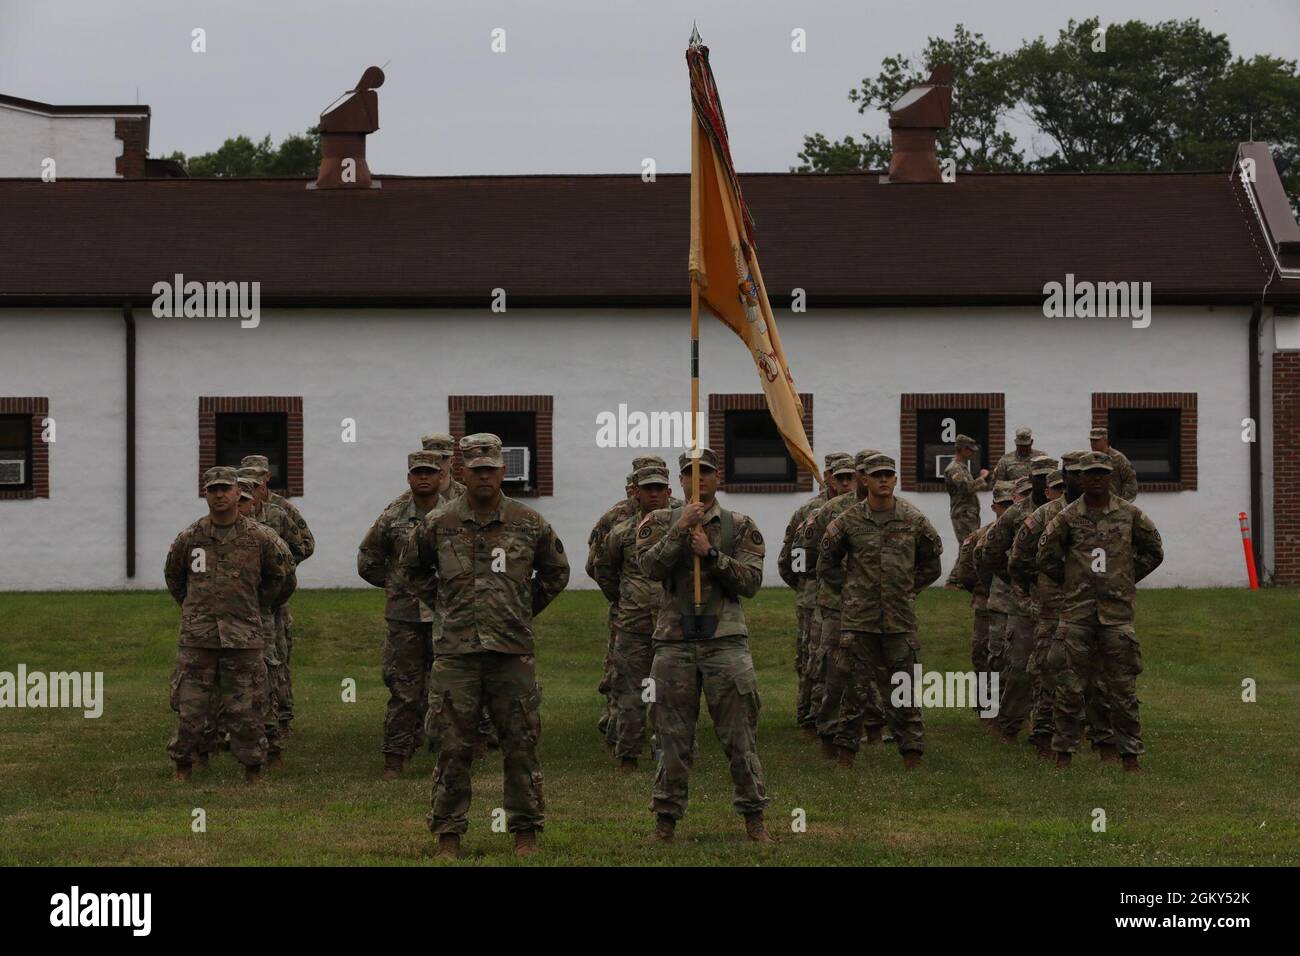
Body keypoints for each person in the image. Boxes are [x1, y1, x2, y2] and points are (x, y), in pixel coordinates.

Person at [399, 434, 569, 858]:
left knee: (521, 742)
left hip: (512, 652)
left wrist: (521, 609)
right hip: (456, 653)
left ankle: (525, 830)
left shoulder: (528, 523)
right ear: (461, 472)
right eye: (475, 470)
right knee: (452, 744)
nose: (484, 477)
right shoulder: (439, 523)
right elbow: (412, 568)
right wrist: (444, 605)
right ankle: (449, 834)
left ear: (502, 471)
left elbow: (556, 572)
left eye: (491, 469)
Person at [637, 448, 771, 844]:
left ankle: (754, 818)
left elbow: (750, 583)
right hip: (675, 642)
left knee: (739, 735)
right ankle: (665, 822)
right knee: (671, 736)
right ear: (681, 481)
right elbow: (648, 568)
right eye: (690, 474)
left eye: (706, 473)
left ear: (718, 478)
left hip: (724, 641)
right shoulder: (660, 521)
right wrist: (680, 529)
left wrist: (711, 555)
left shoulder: (739, 526)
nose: (699, 480)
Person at [164, 467, 294, 783]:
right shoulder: (190, 538)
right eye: (213, 490)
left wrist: (257, 605)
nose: (219, 495)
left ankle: (253, 768)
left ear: (238, 493)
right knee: (191, 707)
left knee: (248, 707)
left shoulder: (260, 538)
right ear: (205, 494)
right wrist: (194, 608)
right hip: (199, 637)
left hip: (244, 635)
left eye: (225, 489)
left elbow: (281, 578)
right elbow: (174, 577)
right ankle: (184, 764)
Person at [1037, 452, 1164, 772]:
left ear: (1111, 477)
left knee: (1122, 689)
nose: (1096, 479)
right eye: (1090, 474)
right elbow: (1045, 556)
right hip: (1077, 614)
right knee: (1068, 688)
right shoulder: (1067, 517)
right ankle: (1063, 754)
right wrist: (1070, 580)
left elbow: (1154, 551)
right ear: (1080, 479)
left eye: (1102, 474)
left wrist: (1125, 577)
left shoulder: (1130, 514)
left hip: (1116, 616)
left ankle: (1129, 756)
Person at [817, 453, 943, 770]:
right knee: (854, 688)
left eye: (889, 474)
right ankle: (845, 753)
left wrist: (906, 589)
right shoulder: (848, 521)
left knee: (903, 688)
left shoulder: (913, 520)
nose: (884, 480)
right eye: (877, 475)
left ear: (896, 480)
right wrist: (849, 592)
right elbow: (827, 563)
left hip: (899, 619)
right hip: (859, 620)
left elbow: (931, 563)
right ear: (865, 480)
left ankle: (912, 753)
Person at [357, 451, 444, 779]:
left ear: (440, 478)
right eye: (417, 473)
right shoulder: (392, 517)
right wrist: (395, 583)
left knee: (447, 688)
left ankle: (449, 754)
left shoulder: (453, 515)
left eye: (430, 472)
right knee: (403, 689)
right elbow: (368, 558)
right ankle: (395, 757)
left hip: (445, 615)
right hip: (404, 617)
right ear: (409, 478)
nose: (423, 478)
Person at [587, 456, 682, 748]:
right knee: (627, 682)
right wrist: (623, 596)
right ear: (635, 489)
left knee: (672, 686)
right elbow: (600, 566)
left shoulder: (683, 519)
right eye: (647, 488)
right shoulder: (619, 525)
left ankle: (671, 743)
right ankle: (625, 742)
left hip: (673, 619)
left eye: (659, 488)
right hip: (632, 618)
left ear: (668, 489)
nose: (653, 494)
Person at [778, 452, 855, 734]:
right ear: (828, 477)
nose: (846, 483)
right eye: (840, 477)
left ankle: (848, 714)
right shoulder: (809, 512)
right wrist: (806, 585)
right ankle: (808, 714)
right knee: (812, 658)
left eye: (851, 477)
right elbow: (790, 559)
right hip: (813, 596)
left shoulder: (859, 508)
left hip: (849, 596)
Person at [240, 454, 313, 734]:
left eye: (256, 481)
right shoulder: (236, 511)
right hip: (243, 600)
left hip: (275, 597)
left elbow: (304, 544)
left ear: (266, 478)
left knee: (277, 656)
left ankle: (281, 714)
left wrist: (279, 569)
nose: (252, 488)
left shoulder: (280, 511)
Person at [943, 434, 989, 544]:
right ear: (963, 449)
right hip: (963, 515)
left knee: (968, 550)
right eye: (970, 449)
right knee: (968, 549)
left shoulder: (961, 467)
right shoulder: (954, 469)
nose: (973, 452)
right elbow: (966, 488)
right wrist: (982, 478)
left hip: (968, 515)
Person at [1088, 427, 1139, 501]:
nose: (1092, 443)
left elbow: (1130, 480)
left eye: (1096, 440)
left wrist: (1123, 502)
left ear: (1105, 440)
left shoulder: (1118, 458)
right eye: (1091, 440)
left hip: (1114, 504)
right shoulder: (1088, 459)